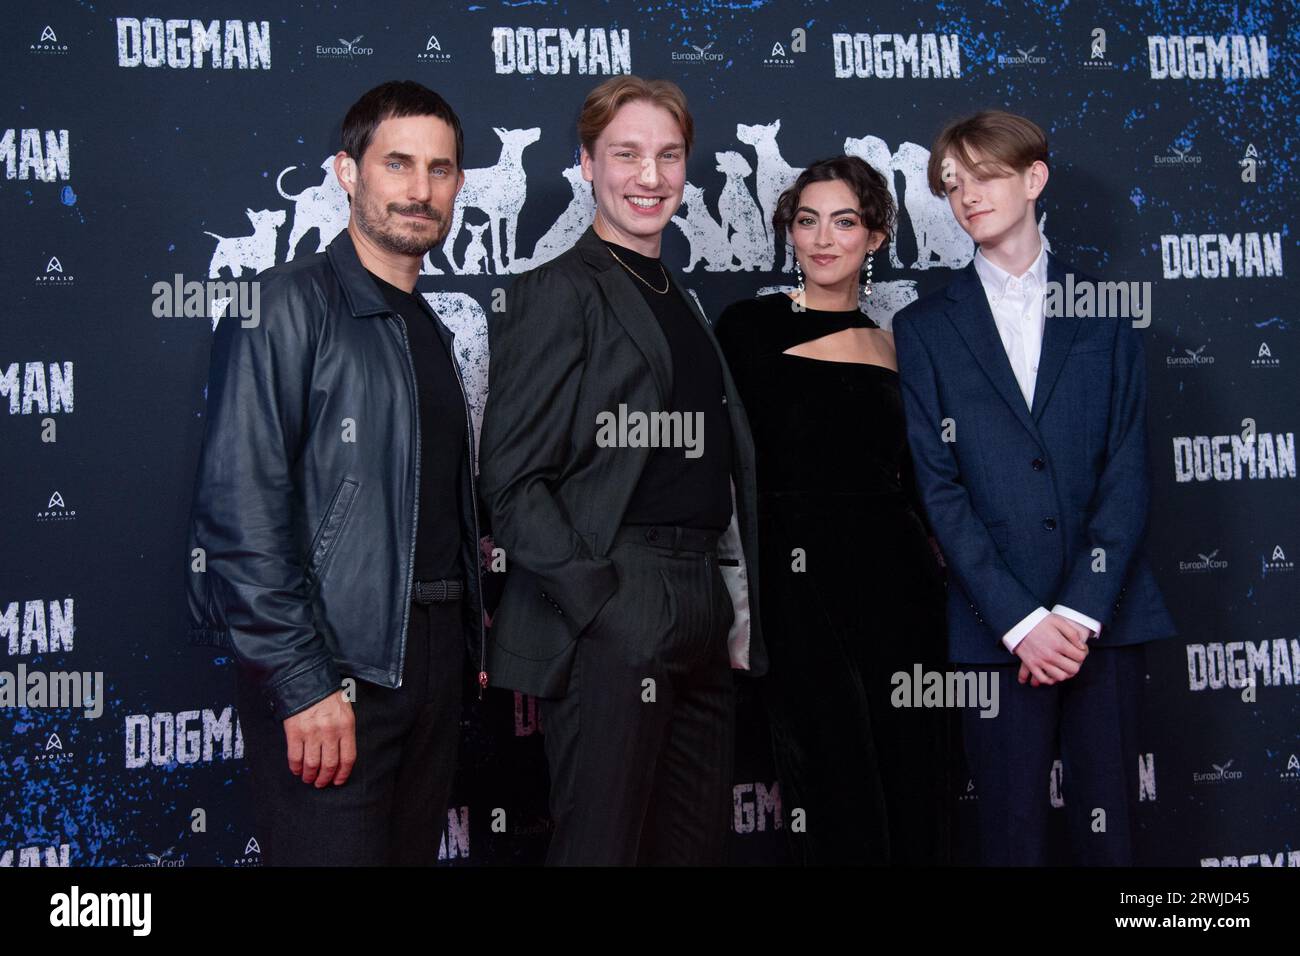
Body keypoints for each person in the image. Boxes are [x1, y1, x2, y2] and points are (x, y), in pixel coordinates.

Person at [186, 80, 485, 865]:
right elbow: (239, 513)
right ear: (347, 173)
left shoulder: (431, 326)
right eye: (397, 164)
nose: (420, 191)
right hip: (335, 666)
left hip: (431, 660)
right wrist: (302, 681)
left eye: (441, 169)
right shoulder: (284, 304)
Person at [477, 75, 767, 866]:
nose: (650, 176)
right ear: (586, 165)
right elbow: (509, 478)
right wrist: (597, 597)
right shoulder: (556, 291)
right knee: (600, 848)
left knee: (691, 850)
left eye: (668, 156)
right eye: (627, 154)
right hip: (620, 595)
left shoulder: (683, 296)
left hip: (701, 600)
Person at [893, 110, 1176, 865]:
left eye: (984, 176)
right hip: (994, 634)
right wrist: (1021, 621)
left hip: (1105, 625)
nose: (967, 197)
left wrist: (1079, 614)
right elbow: (938, 488)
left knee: (1111, 839)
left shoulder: (1109, 316)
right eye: (953, 184)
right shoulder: (923, 328)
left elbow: (1127, 473)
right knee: (1008, 841)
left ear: (1033, 178)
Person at [715, 157, 951, 865]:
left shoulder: (898, 345)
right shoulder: (749, 327)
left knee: (910, 774)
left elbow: (918, 479)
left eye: (844, 221)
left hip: (898, 585)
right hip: (794, 584)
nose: (822, 238)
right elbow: (721, 468)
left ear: (875, 236)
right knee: (828, 775)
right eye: (806, 220)